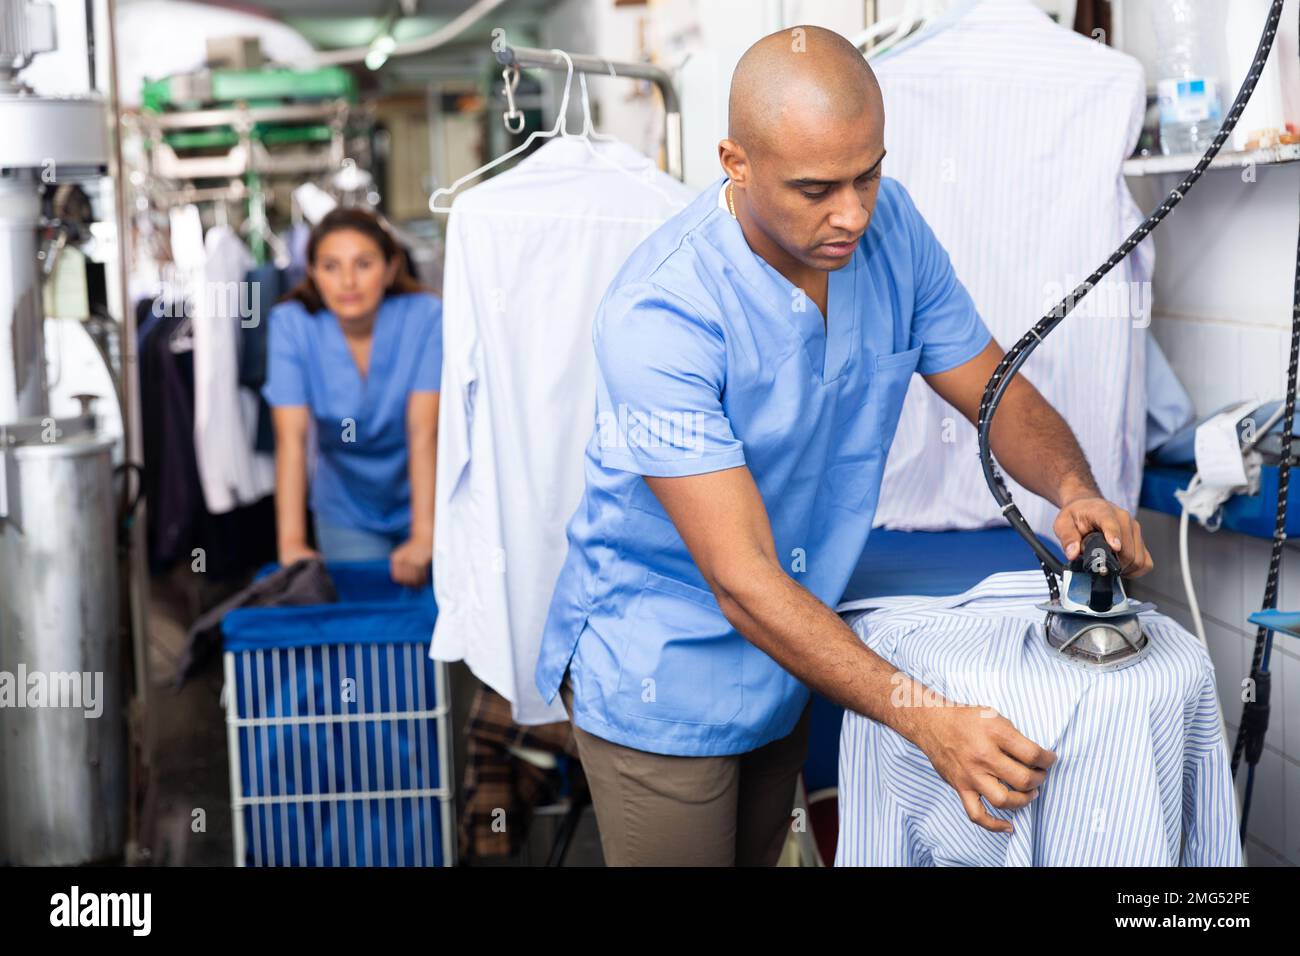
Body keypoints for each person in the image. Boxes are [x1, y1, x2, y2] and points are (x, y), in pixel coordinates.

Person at [535, 26, 1155, 866]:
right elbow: (742, 577)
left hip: (790, 653)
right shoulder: (662, 314)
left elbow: (994, 388)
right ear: (735, 161)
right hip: (663, 666)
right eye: (817, 188)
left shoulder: (888, 229)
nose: (853, 212)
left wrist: (1072, 487)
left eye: (869, 173)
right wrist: (924, 717)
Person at [263, 207, 441, 587]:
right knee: (367, 623)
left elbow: (424, 431)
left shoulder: (426, 317)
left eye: (363, 264)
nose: (347, 281)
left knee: (435, 627)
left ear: (391, 268)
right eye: (330, 266)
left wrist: (425, 534)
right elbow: (291, 439)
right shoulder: (291, 324)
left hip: (429, 498)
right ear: (311, 272)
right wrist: (291, 542)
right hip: (346, 506)